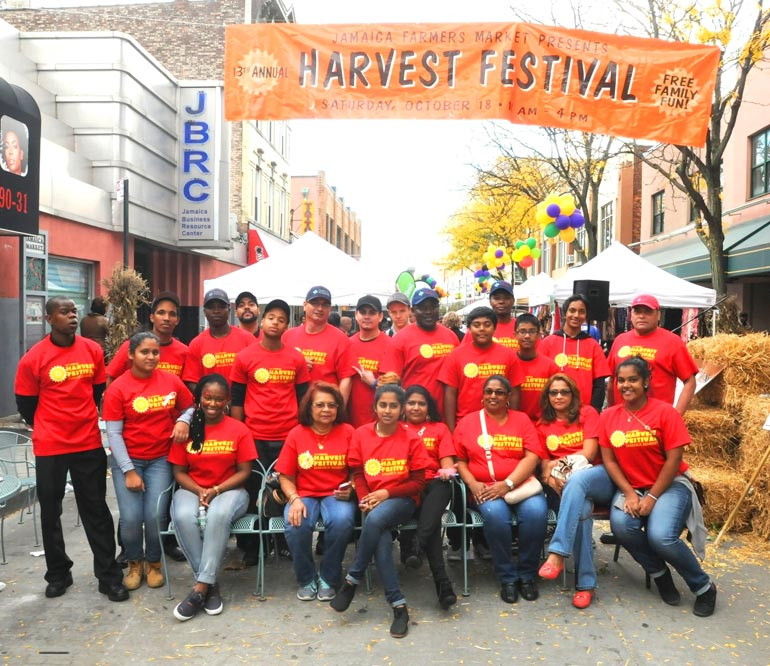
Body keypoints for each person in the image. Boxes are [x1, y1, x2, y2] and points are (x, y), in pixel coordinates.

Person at [14, 296, 128, 602]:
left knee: (96, 509)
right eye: (64, 312)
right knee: (51, 510)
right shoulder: (33, 358)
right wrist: (52, 423)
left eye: (74, 311)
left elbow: (95, 391)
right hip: (50, 446)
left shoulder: (92, 350)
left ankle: (108, 576)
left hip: (87, 442)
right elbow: (26, 403)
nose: (72, 316)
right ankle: (58, 574)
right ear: (50, 318)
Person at [600, 357, 716, 617]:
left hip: (670, 484)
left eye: (633, 379)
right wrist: (629, 493)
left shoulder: (665, 413)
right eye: (621, 380)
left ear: (646, 382)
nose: (626, 385)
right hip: (632, 487)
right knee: (622, 526)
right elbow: (608, 459)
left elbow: (674, 460)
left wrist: (652, 496)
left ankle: (703, 587)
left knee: (660, 536)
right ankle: (659, 573)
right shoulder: (608, 416)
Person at [331, 385, 432, 639]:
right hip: (372, 502)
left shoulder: (410, 437)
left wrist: (385, 493)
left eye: (393, 406)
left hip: (402, 500)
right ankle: (399, 606)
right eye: (383, 405)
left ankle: (352, 578)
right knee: (381, 538)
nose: (388, 411)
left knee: (375, 520)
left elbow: (419, 482)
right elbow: (358, 473)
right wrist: (365, 497)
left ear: (401, 409)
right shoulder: (361, 434)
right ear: (374, 407)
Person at [102, 332, 194, 590]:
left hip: (161, 460)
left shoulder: (170, 381)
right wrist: (129, 470)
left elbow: (190, 405)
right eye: (145, 352)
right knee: (131, 518)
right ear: (131, 355)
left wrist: (183, 420)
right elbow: (114, 434)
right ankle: (134, 562)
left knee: (155, 516)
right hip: (127, 461)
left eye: (155, 352)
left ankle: (153, 562)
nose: (151, 357)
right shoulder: (118, 387)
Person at [168, 374, 257, 621]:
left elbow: (245, 471)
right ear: (198, 399)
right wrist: (198, 490)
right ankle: (209, 584)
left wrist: (216, 490)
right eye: (207, 397)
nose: (213, 403)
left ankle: (199, 589)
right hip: (192, 488)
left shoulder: (238, 429)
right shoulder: (187, 429)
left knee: (218, 515)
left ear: (227, 400)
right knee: (184, 516)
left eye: (219, 399)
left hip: (230, 491)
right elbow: (178, 472)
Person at [230, 299, 311, 564]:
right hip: (254, 436)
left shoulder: (295, 358)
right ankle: (254, 547)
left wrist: (301, 432)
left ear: (288, 325)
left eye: (282, 319)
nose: (276, 322)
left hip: (287, 437)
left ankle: (284, 541)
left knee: (282, 492)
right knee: (254, 492)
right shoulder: (245, 357)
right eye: (271, 317)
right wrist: (239, 434)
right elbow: (237, 400)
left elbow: (303, 400)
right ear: (263, 321)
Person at [454, 375, 547, 604]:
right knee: (496, 516)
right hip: (484, 488)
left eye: (499, 392)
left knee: (536, 514)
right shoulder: (467, 422)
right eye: (489, 391)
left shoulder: (522, 419)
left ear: (508, 397)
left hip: (520, 486)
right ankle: (507, 577)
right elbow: (460, 461)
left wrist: (507, 484)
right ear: (483, 395)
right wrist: (473, 484)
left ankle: (527, 575)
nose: (493, 396)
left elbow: (533, 455)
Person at [535, 374, 612, 609]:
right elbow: (542, 465)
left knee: (578, 481)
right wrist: (549, 476)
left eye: (564, 391)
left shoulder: (587, 413)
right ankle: (585, 585)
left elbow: (588, 453)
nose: (559, 396)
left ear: (573, 394)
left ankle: (557, 552)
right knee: (582, 512)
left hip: (597, 478)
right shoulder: (541, 425)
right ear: (547, 397)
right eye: (554, 392)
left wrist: (554, 470)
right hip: (569, 488)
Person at [275, 383, 355, 601]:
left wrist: (352, 487)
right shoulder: (297, 434)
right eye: (320, 405)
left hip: (335, 494)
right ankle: (306, 578)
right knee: (295, 523)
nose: (326, 409)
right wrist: (294, 499)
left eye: (332, 405)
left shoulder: (348, 432)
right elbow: (285, 475)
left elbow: (357, 470)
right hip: (304, 494)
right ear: (309, 407)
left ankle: (329, 577)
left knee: (342, 521)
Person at [401, 385, 458, 609]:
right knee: (432, 522)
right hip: (406, 483)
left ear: (429, 407)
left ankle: (417, 547)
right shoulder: (395, 428)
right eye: (411, 403)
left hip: (434, 484)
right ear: (403, 406)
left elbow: (446, 463)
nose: (416, 407)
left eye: (421, 403)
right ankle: (443, 584)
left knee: (443, 487)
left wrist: (445, 472)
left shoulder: (439, 428)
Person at [606, 294, 698, 414]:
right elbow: (612, 380)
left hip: (656, 420)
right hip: (623, 420)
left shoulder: (672, 342)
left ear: (658, 315)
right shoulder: (620, 340)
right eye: (637, 311)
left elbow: (690, 382)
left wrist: (676, 416)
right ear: (631, 315)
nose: (642, 316)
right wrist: (611, 413)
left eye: (647, 311)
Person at [439, 306, 522, 431]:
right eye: (476, 325)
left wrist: (512, 424)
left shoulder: (509, 355)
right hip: (465, 424)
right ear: (469, 329)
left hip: (500, 425)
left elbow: (515, 392)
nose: (482, 329)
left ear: (494, 328)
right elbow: (450, 394)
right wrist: (451, 430)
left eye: (487, 324)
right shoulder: (456, 355)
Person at [390, 288, 458, 415]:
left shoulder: (451, 337)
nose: (428, 312)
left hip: (447, 414)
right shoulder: (400, 339)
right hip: (414, 414)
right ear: (413, 310)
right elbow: (392, 383)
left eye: (433, 307)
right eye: (422, 308)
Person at [540, 294, 610, 412]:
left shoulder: (593, 346)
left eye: (581, 311)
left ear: (586, 316)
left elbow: (599, 385)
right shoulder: (547, 343)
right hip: (553, 413)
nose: (576, 315)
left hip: (583, 412)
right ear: (564, 313)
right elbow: (541, 380)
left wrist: (593, 412)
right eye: (572, 310)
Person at [283, 286, 354, 396]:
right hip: (291, 405)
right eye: (315, 303)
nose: (320, 308)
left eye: (325, 304)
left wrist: (339, 410)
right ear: (305, 305)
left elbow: (346, 379)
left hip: (325, 408)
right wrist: (298, 364)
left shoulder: (340, 339)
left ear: (330, 309)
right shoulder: (288, 336)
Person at [182, 289, 256, 391]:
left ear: (229, 309)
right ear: (204, 312)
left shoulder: (248, 339)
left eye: (221, 306)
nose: (216, 311)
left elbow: (255, 375)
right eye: (211, 307)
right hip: (211, 405)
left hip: (241, 404)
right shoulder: (196, 344)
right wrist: (211, 399)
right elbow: (192, 381)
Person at [107, 292, 189, 382]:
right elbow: (112, 378)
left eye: (172, 314)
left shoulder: (184, 352)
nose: (166, 318)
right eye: (161, 313)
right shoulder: (132, 346)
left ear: (177, 320)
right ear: (152, 317)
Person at [344, 295, 399, 428]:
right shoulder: (347, 344)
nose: (366, 316)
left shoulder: (391, 345)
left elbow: (395, 389)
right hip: (350, 422)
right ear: (356, 315)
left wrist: (373, 383)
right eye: (363, 312)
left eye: (372, 313)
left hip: (380, 423)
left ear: (380, 316)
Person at [515, 313, 560, 422]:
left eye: (531, 331)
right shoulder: (508, 363)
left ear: (539, 335)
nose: (527, 336)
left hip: (544, 424)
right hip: (516, 424)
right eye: (522, 331)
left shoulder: (551, 366)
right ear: (515, 335)